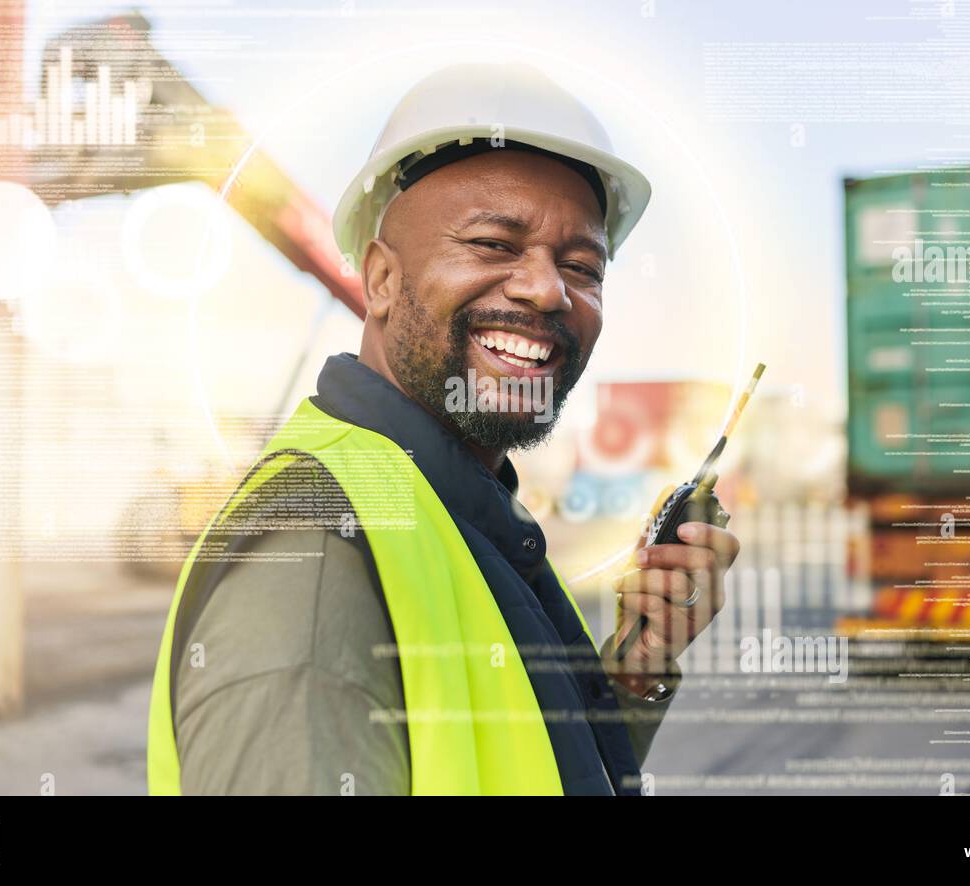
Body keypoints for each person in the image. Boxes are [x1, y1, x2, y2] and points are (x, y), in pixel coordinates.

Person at [147, 62, 740, 795]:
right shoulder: (315, 562)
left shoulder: (460, 513)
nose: (546, 289)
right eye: (494, 244)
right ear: (383, 280)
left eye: (581, 265)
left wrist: (636, 672)